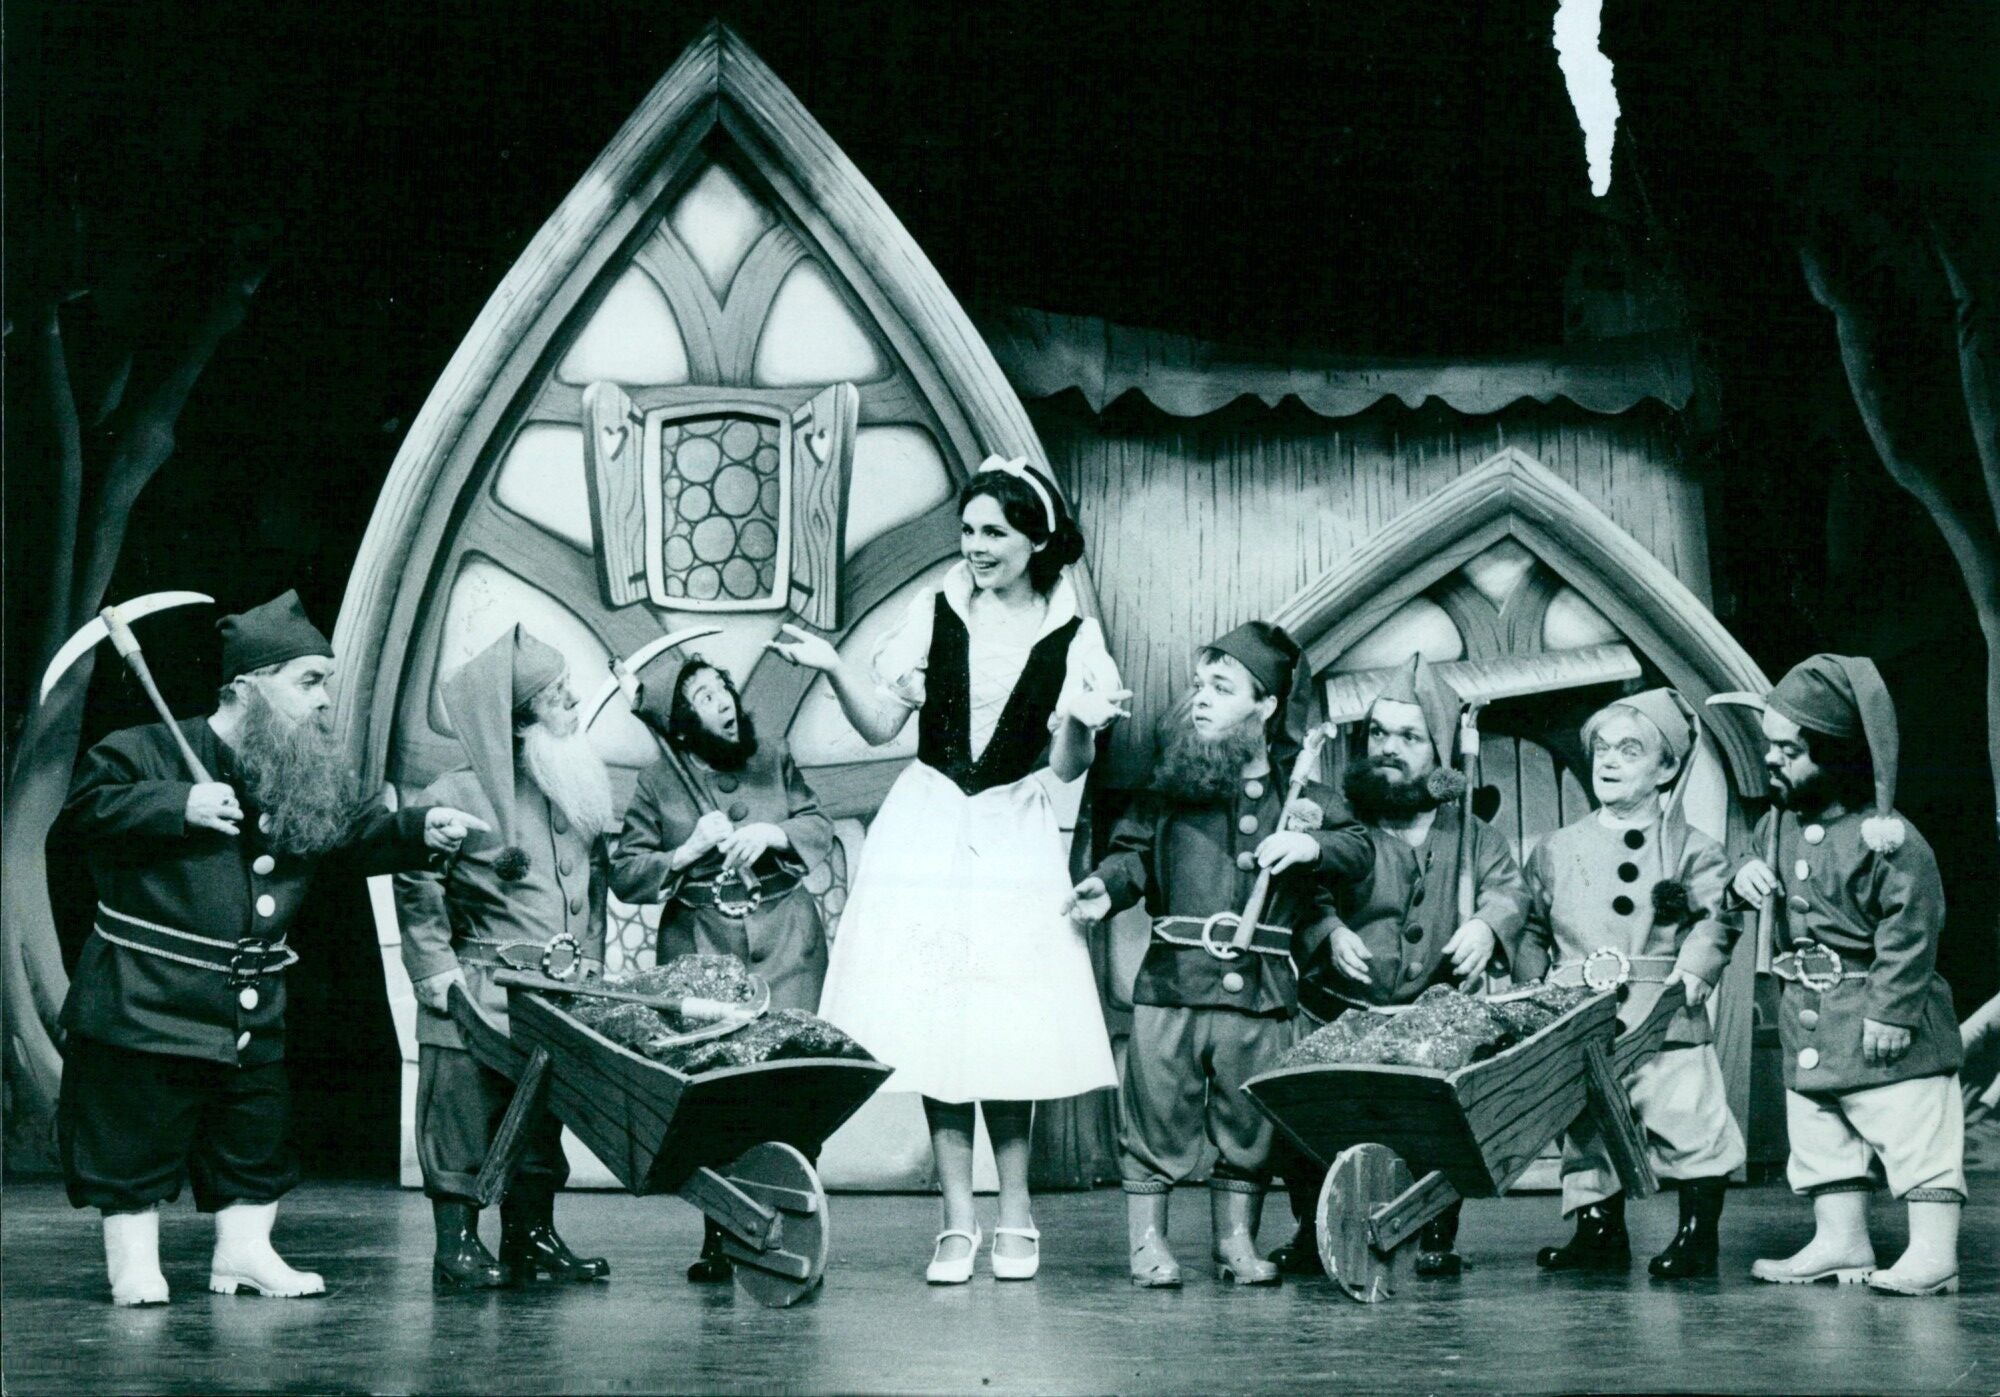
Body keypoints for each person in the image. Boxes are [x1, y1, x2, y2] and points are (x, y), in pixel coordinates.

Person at [57, 590, 484, 1306]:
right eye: (309, 682)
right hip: (146, 1000)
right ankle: (134, 1264)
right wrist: (175, 804)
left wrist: (418, 827)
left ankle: (246, 1253)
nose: (324, 703)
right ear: (248, 688)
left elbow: (351, 833)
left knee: (251, 1133)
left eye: (327, 684)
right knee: (135, 1134)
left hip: (247, 1011)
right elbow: (82, 814)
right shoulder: (143, 750)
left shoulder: (299, 771)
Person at [767, 454, 1131, 1284]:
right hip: (929, 825)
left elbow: (1069, 767)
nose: (974, 546)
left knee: (1007, 1025)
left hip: (1012, 832)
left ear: (1036, 539)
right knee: (940, 1021)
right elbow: (877, 724)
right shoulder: (936, 612)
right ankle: (957, 1221)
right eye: (967, 531)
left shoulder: (1073, 636)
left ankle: (1016, 1213)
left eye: (993, 532)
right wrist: (835, 670)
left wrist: (1078, 717)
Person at [1066, 622, 1372, 1288]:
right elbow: (1131, 857)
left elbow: (1360, 850)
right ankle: (1147, 1242)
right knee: (1156, 1114)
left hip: (1259, 990)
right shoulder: (1168, 788)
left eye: (1221, 687)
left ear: (1265, 706)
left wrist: (1311, 848)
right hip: (1173, 982)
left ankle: (1236, 1241)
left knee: (1247, 1121)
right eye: (1198, 684)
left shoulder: (1306, 800)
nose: (1199, 698)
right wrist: (1105, 887)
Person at [1267, 653, 1528, 1278]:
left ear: (1440, 753)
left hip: (1431, 1022)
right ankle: (1315, 1230)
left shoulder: (1474, 838)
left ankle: (1434, 1229)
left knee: (1438, 1126)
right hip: (1340, 1014)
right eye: (1378, 733)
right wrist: (1327, 929)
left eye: (1409, 737)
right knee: (1319, 1126)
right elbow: (1309, 893)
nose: (1388, 748)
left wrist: (1487, 924)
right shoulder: (1343, 826)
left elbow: (1509, 891)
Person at [1729, 655, 1964, 1296]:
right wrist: (1742, 873)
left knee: (1913, 1134)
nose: (1772, 760)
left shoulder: (1888, 839)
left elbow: (1912, 930)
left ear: (1841, 755)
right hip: (1811, 1018)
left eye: (1790, 750)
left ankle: (1934, 1252)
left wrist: (1891, 1011)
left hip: (1880, 1024)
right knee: (1820, 1136)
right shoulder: (1774, 825)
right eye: (1769, 747)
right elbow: (1751, 870)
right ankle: (1840, 1240)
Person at [395, 627, 614, 1290]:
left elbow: (593, 896)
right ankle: (456, 1245)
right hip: (478, 993)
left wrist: (593, 976)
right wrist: (435, 968)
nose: (573, 701)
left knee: (542, 1127)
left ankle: (532, 1238)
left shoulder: (572, 787)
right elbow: (416, 879)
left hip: (556, 996)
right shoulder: (454, 793)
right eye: (555, 695)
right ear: (518, 719)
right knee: (461, 1116)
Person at [610, 655, 836, 1283]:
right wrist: (686, 850)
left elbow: (816, 821)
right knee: (717, 1095)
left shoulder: (774, 757)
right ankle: (724, 1233)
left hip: (788, 941)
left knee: (791, 1087)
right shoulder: (658, 782)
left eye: (723, 687)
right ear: (681, 723)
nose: (723, 701)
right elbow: (627, 873)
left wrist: (772, 831)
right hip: (702, 947)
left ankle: (791, 1230)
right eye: (704, 696)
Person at [1516, 689, 1744, 1278]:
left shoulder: (1694, 850)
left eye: (1630, 750)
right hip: (1578, 1014)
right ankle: (1598, 1232)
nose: (1609, 762)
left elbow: (1716, 919)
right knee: (1588, 1130)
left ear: (1666, 769)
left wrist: (1695, 969)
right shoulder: (1556, 848)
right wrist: (1532, 990)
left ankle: (1698, 1235)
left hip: (1664, 1012)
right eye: (1602, 749)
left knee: (1687, 1117)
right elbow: (1531, 929)